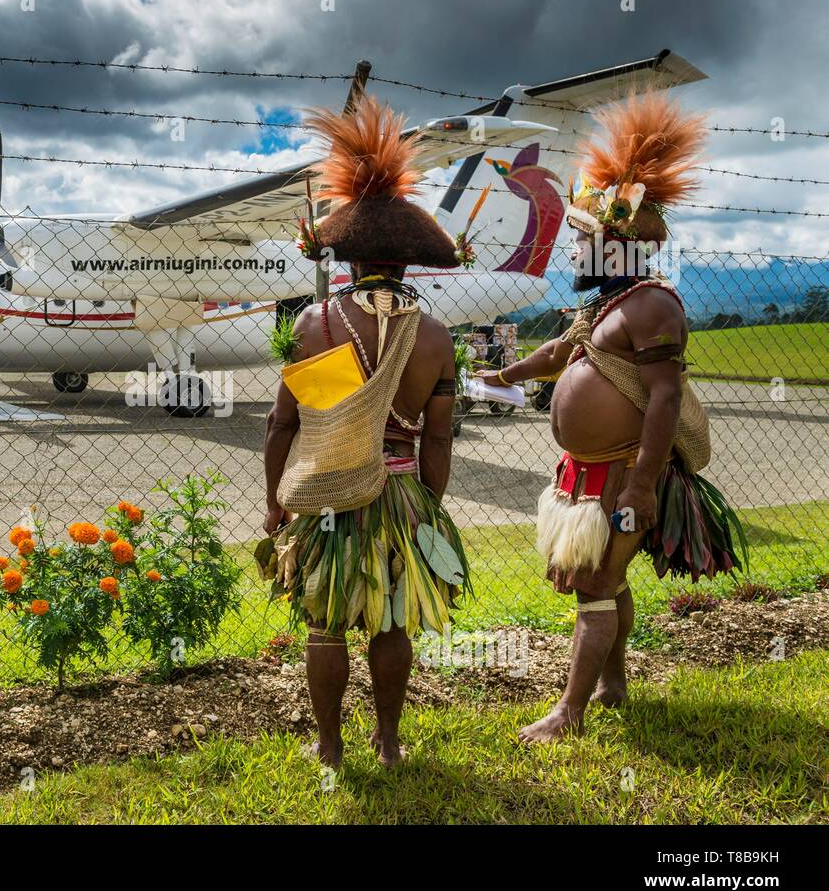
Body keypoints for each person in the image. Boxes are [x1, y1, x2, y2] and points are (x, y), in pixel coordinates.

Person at [476, 90, 745, 743]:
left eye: (583, 240)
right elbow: (559, 351)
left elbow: (665, 399)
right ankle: (612, 680)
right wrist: (503, 376)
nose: (573, 251)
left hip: (625, 473)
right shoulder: (605, 307)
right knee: (604, 581)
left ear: (617, 243)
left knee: (597, 579)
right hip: (583, 473)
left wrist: (642, 483)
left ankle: (569, 712)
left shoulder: (654, 307)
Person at [262, 94, 469, 769]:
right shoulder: (435, 335)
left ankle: (328, 746)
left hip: (326, 499)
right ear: (407, 262)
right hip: (404, 493)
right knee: (391, 617)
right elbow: (437, 440)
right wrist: (429, 504)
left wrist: (275, 502)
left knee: (325, 622)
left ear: (347, 258)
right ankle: (388, 739)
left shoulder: (313, 325)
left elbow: (282, 424)